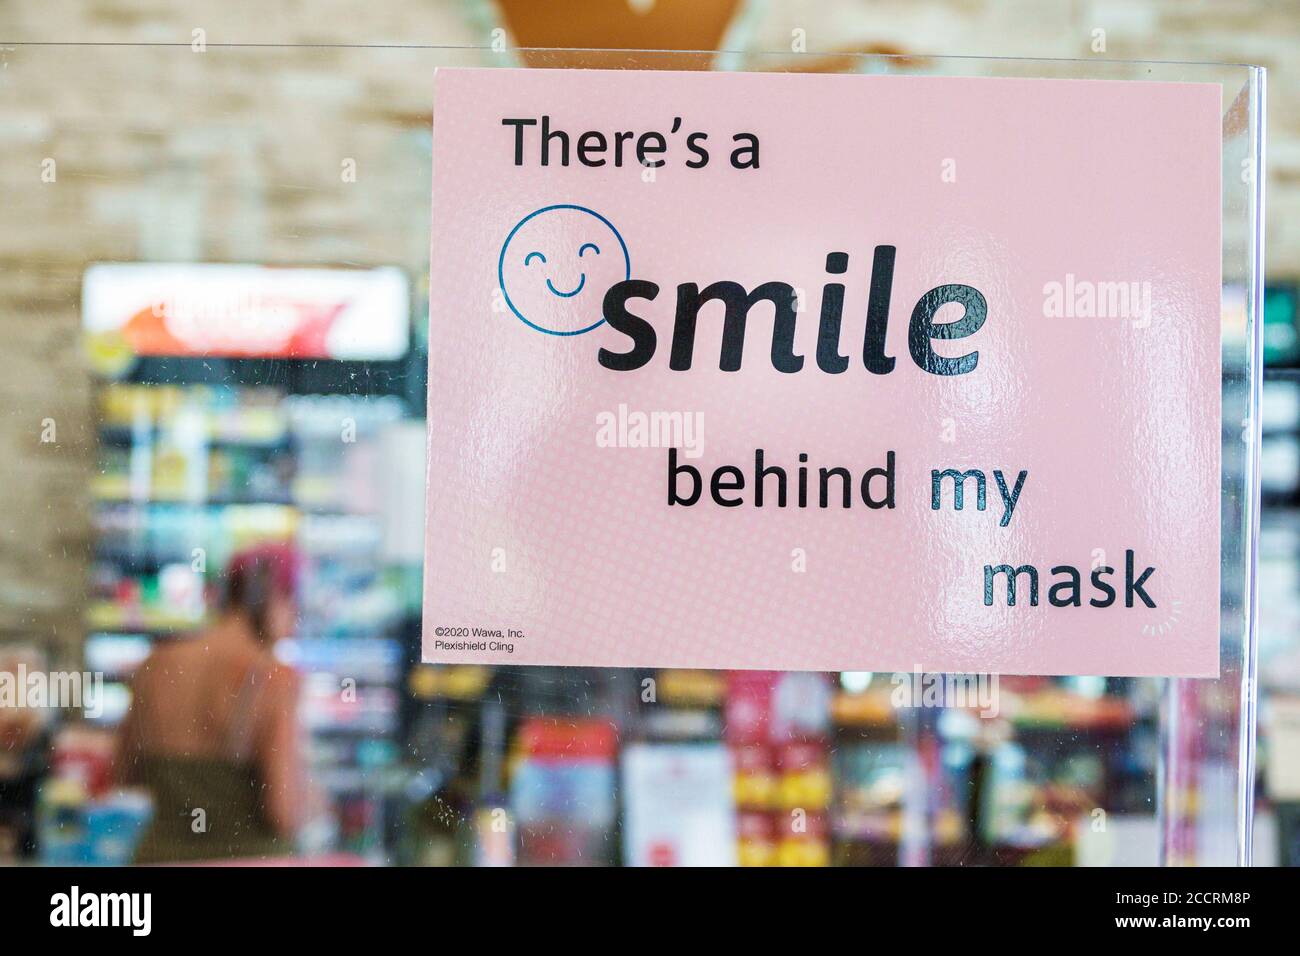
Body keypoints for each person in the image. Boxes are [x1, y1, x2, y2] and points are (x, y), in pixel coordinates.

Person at [115, 542, 304, 863]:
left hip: (160, 857)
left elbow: (123, 775)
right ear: (272, 600)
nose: (295, 621)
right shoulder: (273, 678)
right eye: (293, 604)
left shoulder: (155, 663)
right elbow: (282, 813)